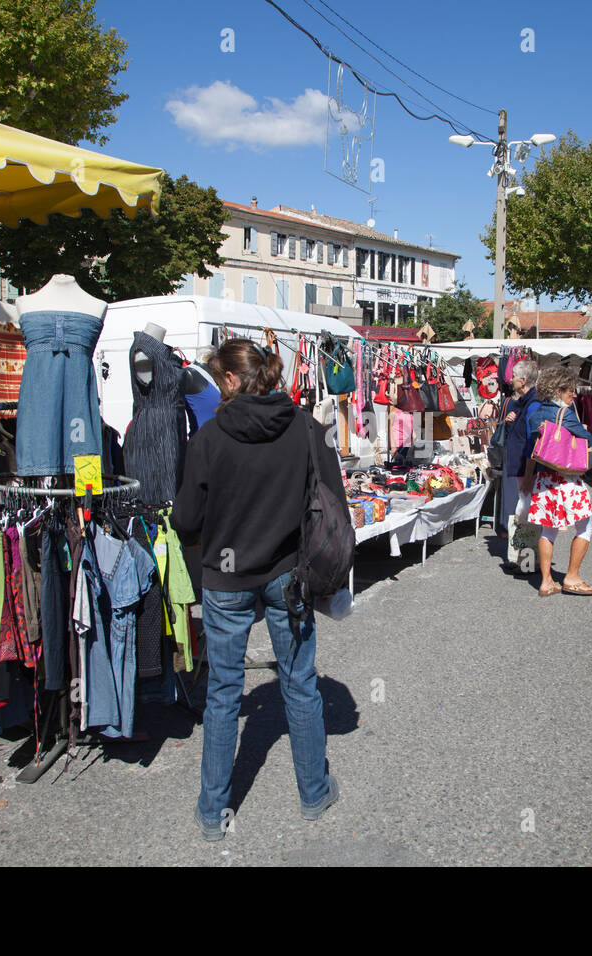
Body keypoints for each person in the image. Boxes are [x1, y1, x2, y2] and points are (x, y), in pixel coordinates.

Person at [173, 338, 343, 839]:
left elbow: (186, 519)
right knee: (300, 684)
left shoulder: (209, 438)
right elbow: (331, 496)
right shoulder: (305, 428)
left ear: (229, 380)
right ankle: (313, 792)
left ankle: (212, 814)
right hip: (288, 572)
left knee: (223, 693)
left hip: (226, 579)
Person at [525, 365, 592, 596]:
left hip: (545, 478)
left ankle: (546, 581)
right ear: (558, 390)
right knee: (586, 526)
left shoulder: (535, 413)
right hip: (567, 479)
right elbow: (586, 437)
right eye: (570, 391)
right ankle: (572, 577)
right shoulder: (565, 414)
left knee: (548, 530)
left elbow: (532, 445)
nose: (573, 395)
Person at [500, 361, 541, 566]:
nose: (511, 379)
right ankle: (523, 560)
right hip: (521, 468)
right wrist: (510, 421)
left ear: (523, 381)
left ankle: (525, 562)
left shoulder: (533, 404)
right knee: (524, 512)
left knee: (525, 513)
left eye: (514, 376)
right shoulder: (523, 403)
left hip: (526, 469)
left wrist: (528, 474)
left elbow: (533, 442)